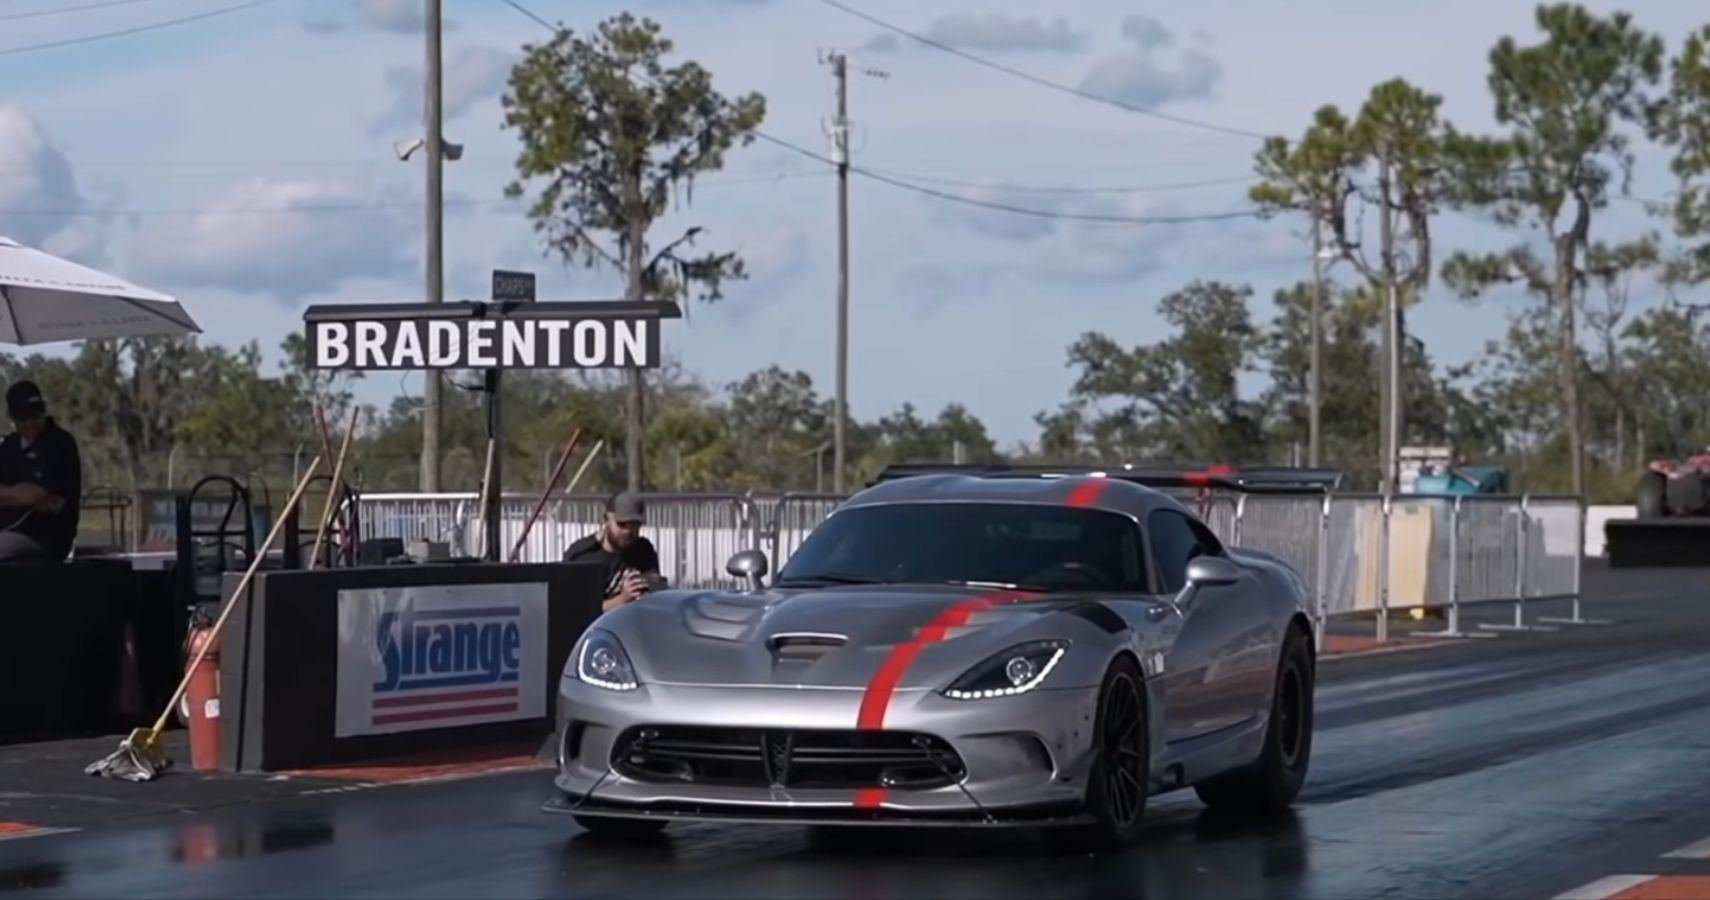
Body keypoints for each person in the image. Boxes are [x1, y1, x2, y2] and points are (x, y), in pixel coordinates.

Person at [0, 381, 82, 563]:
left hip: (45, 538)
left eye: (36, 415)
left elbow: (35, 495)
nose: (30, 423)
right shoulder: (9, 446)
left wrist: (15, 496)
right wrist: (15, 494)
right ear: (11, 417)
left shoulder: (60, 443)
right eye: (22, 417)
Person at [562, 491, 666, 611]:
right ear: (606, 519)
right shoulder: (583, 556)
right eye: (622, 524)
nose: (628, 531)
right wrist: (623, 598)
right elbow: (577, 611)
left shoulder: (643, 550)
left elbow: (655, 594)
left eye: (635, 525)